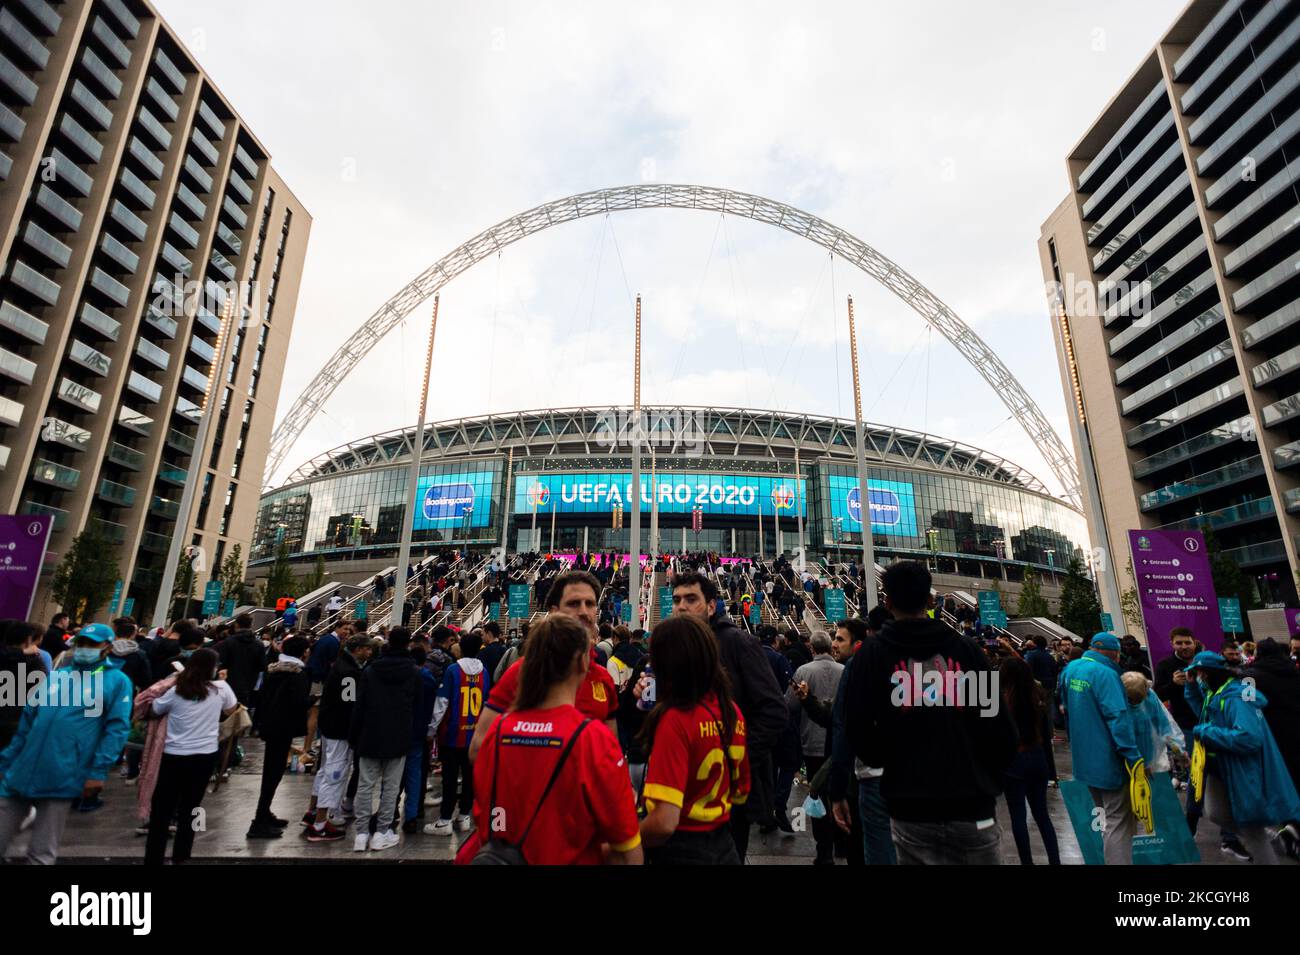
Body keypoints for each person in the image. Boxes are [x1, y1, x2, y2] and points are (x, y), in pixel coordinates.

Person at [846, 560, 1015, 865]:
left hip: (910, 807)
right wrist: (984, 777)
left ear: (887, 601)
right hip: (972, 806)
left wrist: (892, 761)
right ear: (931, 600)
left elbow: (856, 728)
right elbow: (1000, 729)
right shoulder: (969, 651)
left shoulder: (870, 655)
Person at [461, 615, 642, 865]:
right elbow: (627, 849)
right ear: (582, 663)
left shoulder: (497, 732)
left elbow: (489, 813)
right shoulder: (593, 739)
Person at [670, 572, 785, 863]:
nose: (682, 606)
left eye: (691, 599)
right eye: (676, 600)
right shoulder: (675, 647)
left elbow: (773, 711)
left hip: (728, 793)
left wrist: (737, 758)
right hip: (682, 787)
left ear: (711, 606)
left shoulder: (737, 643)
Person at [0, 623, 132, 864]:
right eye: (81, 643)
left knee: (41, 852)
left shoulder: (116, 681)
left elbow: (117, 729)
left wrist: (98, 771)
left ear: (107, 647)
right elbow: (29, 720)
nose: (85, 649)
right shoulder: (57, 676)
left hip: (64, 772)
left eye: (92, 644)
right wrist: (7, 759)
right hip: (22, 769)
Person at [469, 572, 619, 762]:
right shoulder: (522, 672)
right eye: (574, 603)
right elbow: (479, 748)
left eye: (590, 604)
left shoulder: (603, 678)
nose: (584, 611)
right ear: (554, 612)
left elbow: (611, 753)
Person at [638, 614, 749, 864]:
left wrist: (624, 841)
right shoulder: (732, 711)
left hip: (680, 847)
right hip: (723, 843)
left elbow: (664, 822)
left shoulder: (676, 720)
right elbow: (741, 792)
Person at [1185, 651, 1300, 865]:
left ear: (1209, 673)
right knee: (1216, 813)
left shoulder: (1237, 697)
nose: (1197, 677)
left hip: (1240, 768)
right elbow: (1204, 713)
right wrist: (1191, 689)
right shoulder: (1217, 691)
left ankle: (1269, 842)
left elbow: (1249, 737)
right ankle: (1275, 839)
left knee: (1251, 829)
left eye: (1199, 673)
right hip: (1220, 766)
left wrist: (1206, 732)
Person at [145, 648, 239, 864]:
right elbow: (231, 710)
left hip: (173, 755)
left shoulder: (176, 689)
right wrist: (222, 681)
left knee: (162, 810)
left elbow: (155, 710)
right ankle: (182, 855)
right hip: (204, 756)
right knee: (193, 807)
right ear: (212, 669)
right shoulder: (221, 689)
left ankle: (153, 857)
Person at [1058, 633, 1145, 865]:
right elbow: (1118, 716)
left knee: (1107, 818)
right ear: (1113, 653)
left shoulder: (1071, 669)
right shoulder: (1106, 674)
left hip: (1083, 759)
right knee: (1119, 821)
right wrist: (1133, 756)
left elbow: (1064, 709)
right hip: (1108, 759)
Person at [350, 628, 419, 852]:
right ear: (408, 644)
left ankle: (361, 834)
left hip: (370, 732)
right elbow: (416, 705)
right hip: (398, 734)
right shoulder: (414, 671)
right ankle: (381, 832)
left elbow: (359, 705)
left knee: (365, 785)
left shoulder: (370, 670)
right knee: (391, 787)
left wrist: (354, 735)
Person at [303, 633, 371, 842]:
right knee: (335, 773)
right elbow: (349, 705)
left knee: (325, 770)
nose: (369, 652)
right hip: (340, 730)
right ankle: (321, 824)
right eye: (367, 649)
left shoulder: (340, 666)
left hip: (330, 727)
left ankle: (313, 812)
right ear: (358, 649)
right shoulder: (349, 672)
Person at [247, 635, 313, 839]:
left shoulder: (274, 670)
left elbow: (263, 697)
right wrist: (314, 700)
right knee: (272, 773)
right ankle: (259, 821)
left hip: (270, 726)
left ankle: (264, 813)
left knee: (271, 772)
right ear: (303, 652)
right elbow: (299, 702)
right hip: (283, 727)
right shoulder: (298, 674)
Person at [999, 655, 1061, 865]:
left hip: (1014, 759)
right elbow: (1046, 733)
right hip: (1037, 757)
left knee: (1018, 816)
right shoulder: (1038, 697)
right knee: (1042, 814)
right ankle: (1055, 860)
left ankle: (1027, 862)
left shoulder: (1002, 700)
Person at [788, 631, 844, 865]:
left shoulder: (803, 671)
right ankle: (842, 843)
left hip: (812, 743)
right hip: (839, 745)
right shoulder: (845, 671)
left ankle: (824, 852)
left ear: (811, 647)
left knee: (818, 797)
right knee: (840, 794)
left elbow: (790, 704)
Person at [426, 631, 489, 835]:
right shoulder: (484, 672)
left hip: (453, 732)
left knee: (450, 777)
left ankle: (445, 818)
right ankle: (464, 816)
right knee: (470, 777)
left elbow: (442, 702)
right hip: (475, 732)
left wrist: (432, 728)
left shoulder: (453, 670)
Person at [218, 614, 266, 708]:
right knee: (242, 714)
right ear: (251, 625)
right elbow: (262, 666)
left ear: (236, 625)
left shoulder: (228, 642)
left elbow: (221, 662)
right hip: (248, 685)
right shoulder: (259, 644)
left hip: (228, 683)